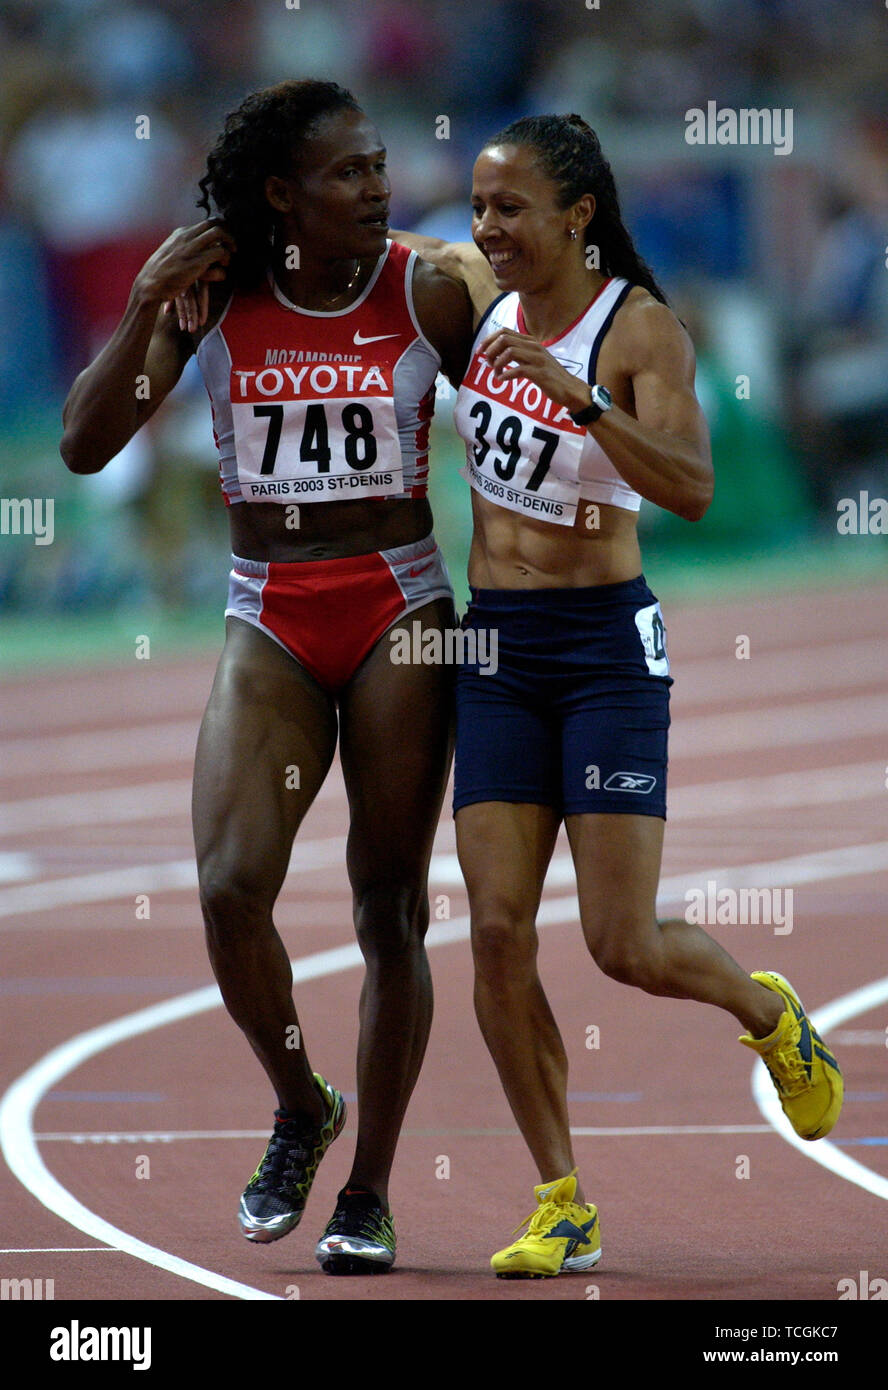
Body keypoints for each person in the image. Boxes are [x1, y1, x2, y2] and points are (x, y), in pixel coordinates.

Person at [394, 113, 843, 1279]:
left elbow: (692, 487)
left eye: (512, 209)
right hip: (496, 644)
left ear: (578, 215)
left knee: (622, 942)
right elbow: (369, 245)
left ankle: (769, 1013)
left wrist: (580, 402)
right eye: (481, 207)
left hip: (602, 646)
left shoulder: (637, 328)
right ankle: (562, 1197)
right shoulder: (471, 285)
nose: (488, 227)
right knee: (493, 930)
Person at [60, 79, 473, 1276]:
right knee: (231, 885)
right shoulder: (211, 295)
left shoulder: (426, 289)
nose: (378, 186)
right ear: (283, 194)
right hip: (271, 615)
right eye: (348, 173)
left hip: (399, 599)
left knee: (387, 906)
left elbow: (509, 436)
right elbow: (90, 442)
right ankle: (302, 1101)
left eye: (382, 165)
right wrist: (144, 304)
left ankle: (371, 1190)